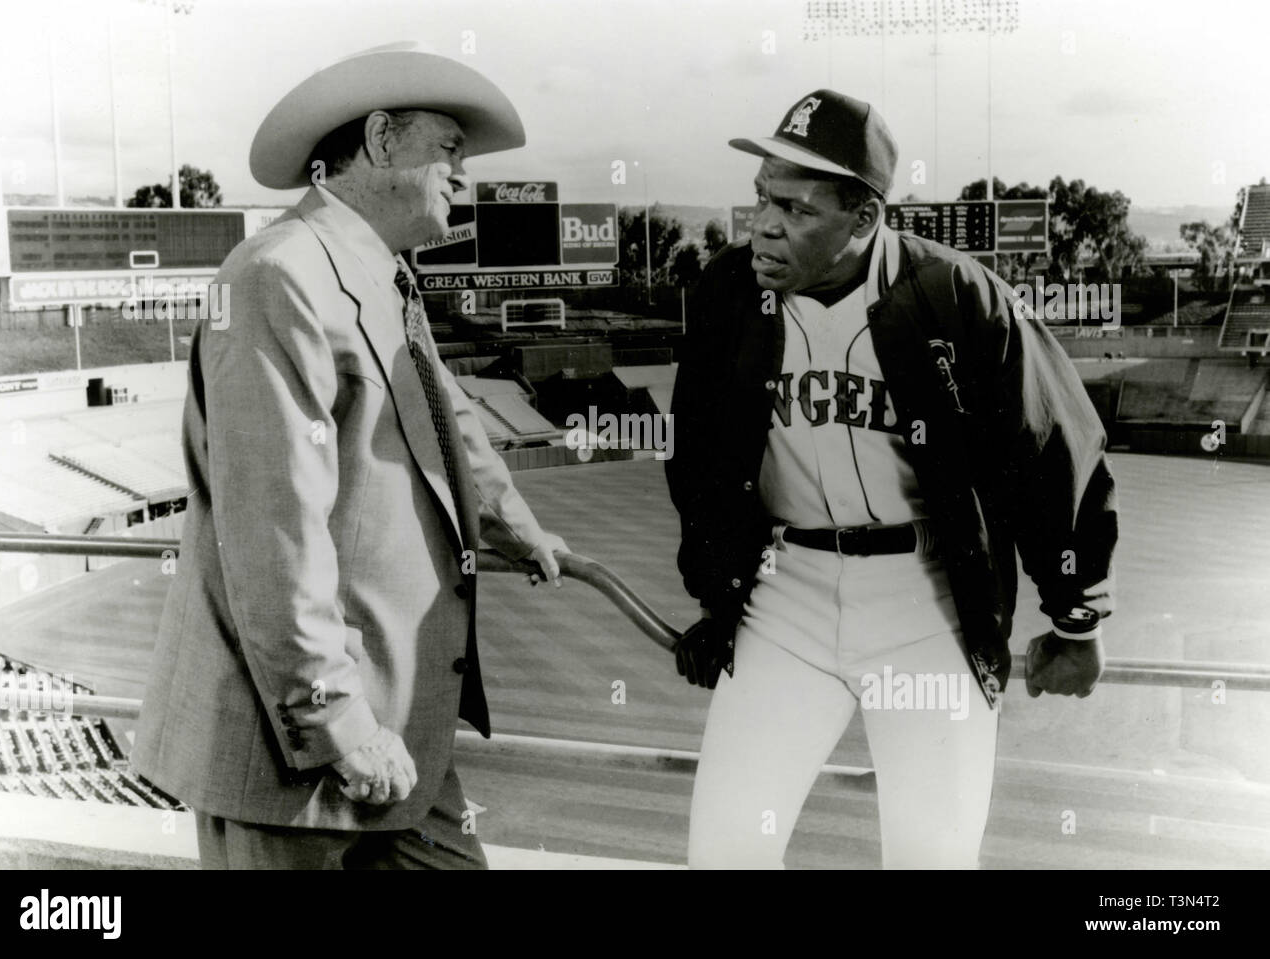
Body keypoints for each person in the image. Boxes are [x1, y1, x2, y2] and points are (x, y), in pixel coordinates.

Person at [132, 42, 567, 869]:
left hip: (398, 725)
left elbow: (448, 420)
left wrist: (517, 525)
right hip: (296, 750)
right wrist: (338, 722)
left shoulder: (377, 270)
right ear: (378, 140)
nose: (462, 175)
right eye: (449, 150)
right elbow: (274, 530)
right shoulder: (276, 275)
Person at [665, 90, 1117, 868]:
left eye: (797, 209)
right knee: (727, 850)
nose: (765, 224)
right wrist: (716, 592)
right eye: (761, 198)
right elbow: (699, 457)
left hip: (926, 600)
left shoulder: (957, 298)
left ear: (864, 218)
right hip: (787, 597)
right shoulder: (730, 295)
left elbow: (1050, 454)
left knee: (931, 857)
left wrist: (1076, 618)